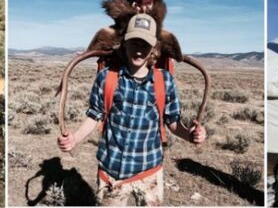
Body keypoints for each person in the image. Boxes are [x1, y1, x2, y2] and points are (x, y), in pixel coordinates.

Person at [56, 13, 206, 206]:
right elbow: (95, 116)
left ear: (154, 48)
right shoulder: (106, 77)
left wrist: (191, 135)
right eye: (134, 43)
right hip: (111, 172)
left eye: (144, 44)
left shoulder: (164, 80)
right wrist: (74, 139)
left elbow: (173, 122)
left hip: (149, 173)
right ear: (124, 44)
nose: (138, 50)